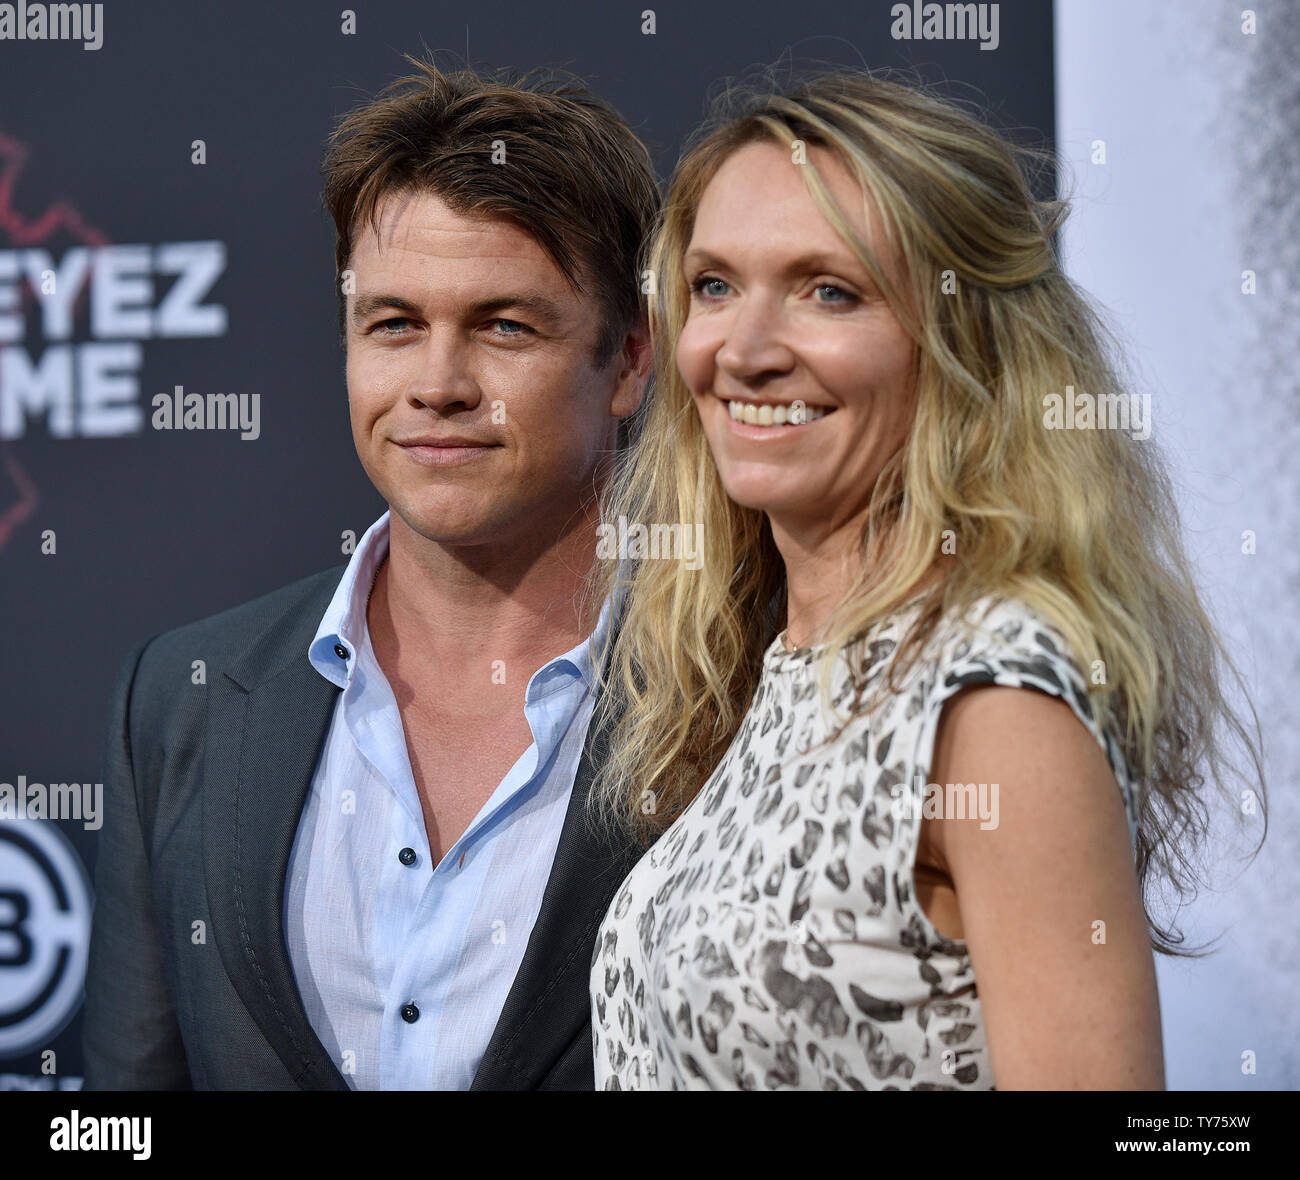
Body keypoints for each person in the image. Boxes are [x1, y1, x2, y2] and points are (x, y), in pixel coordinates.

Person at [585, 67, 1267, 1091]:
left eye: (829, 290)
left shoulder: (990, 700)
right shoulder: (785, 675)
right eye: (715, 285)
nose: (746, 348)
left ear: (961, 345)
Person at [82, 55, 657, 1090]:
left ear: (628, 359)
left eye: (504, 326)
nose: (437, 384)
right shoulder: (183, 698)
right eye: (393, 324)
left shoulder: (752, 687)